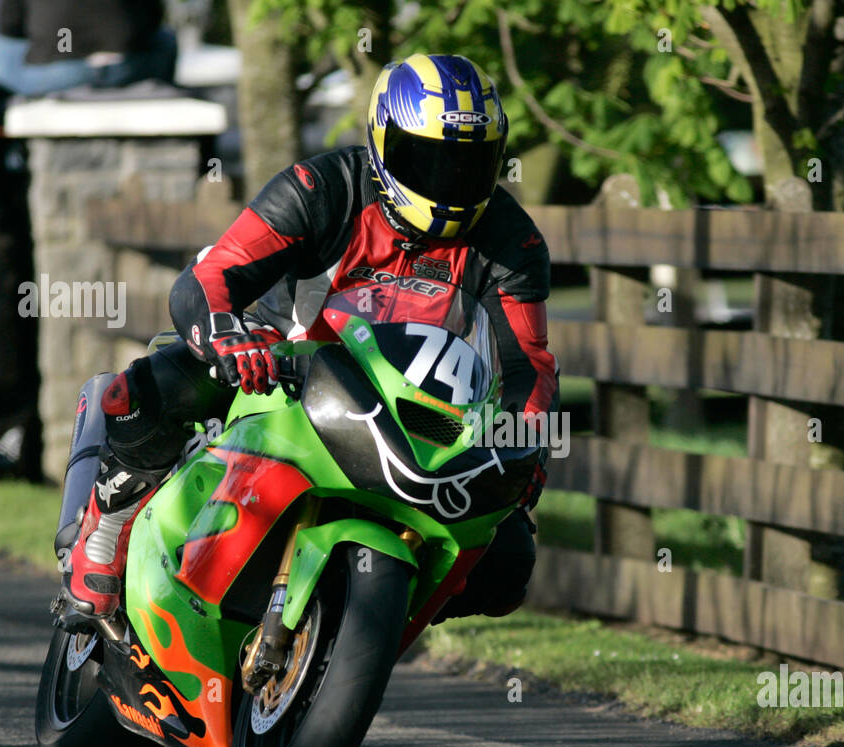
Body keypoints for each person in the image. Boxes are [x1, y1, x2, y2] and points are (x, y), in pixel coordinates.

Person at [61, 53, 558, 623]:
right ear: (381, 142)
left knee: (508, 559)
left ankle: (369, 616)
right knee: (152, 388)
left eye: (467, 166)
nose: (448, 185)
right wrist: (227, 336)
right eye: (427, 161)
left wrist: (526, 437)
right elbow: (213, 274)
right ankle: (109, 518)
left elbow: (528, 364)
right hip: (279, 364)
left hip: (410, 408)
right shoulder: (322, 188)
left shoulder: (510, 241)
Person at [0, 0, 175, 97]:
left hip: (60, 72)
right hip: (126, 67)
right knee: (167, 39)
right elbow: (153, 21)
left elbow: (9, 26)